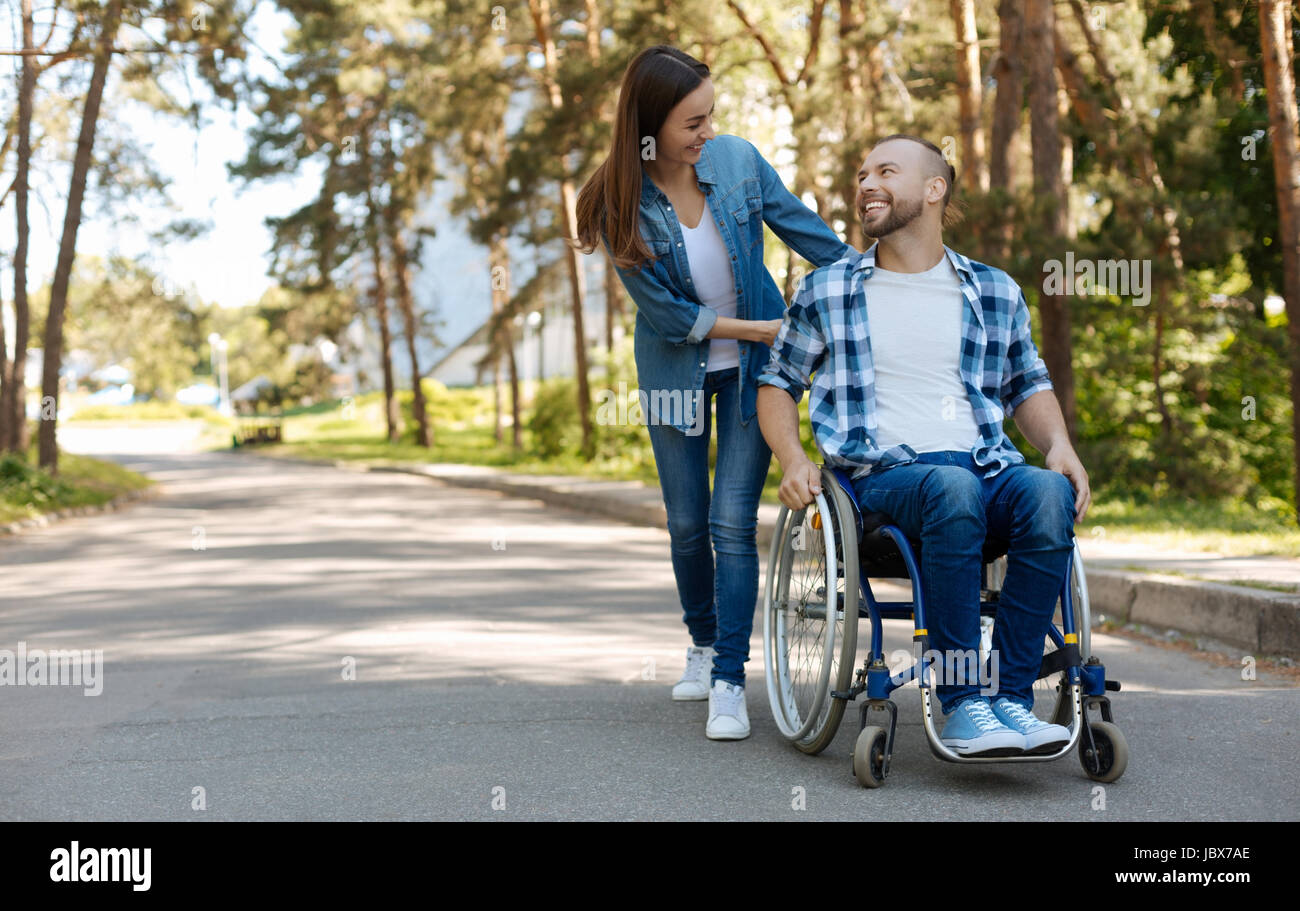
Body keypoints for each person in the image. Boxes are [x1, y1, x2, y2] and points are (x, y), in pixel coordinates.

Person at [756, 134, 1092, 757]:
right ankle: (964, 703)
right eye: (861, 175)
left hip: (986, 466)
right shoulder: (828, 289)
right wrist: (793, 458)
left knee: (1046, 491)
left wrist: (1060, 448)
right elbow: (777, 383)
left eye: (886, 171)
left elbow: (1027, 384)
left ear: (934, 189)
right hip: (882, 479)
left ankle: (1011, 703)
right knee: (951, 486)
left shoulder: (992, 290)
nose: (866, 185)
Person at [573, 46, 853, 740]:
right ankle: (701, 642)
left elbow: (802, 228)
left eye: (711, 117)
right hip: (676, 373)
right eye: (691, 122)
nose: (707, 133)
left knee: (732, 523)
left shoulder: (736, 162)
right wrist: (760, 327)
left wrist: (875, 275)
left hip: (755, 375)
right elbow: (668, 315)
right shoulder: (618, 203)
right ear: (649, 126)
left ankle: (729, 678)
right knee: (686, 522)